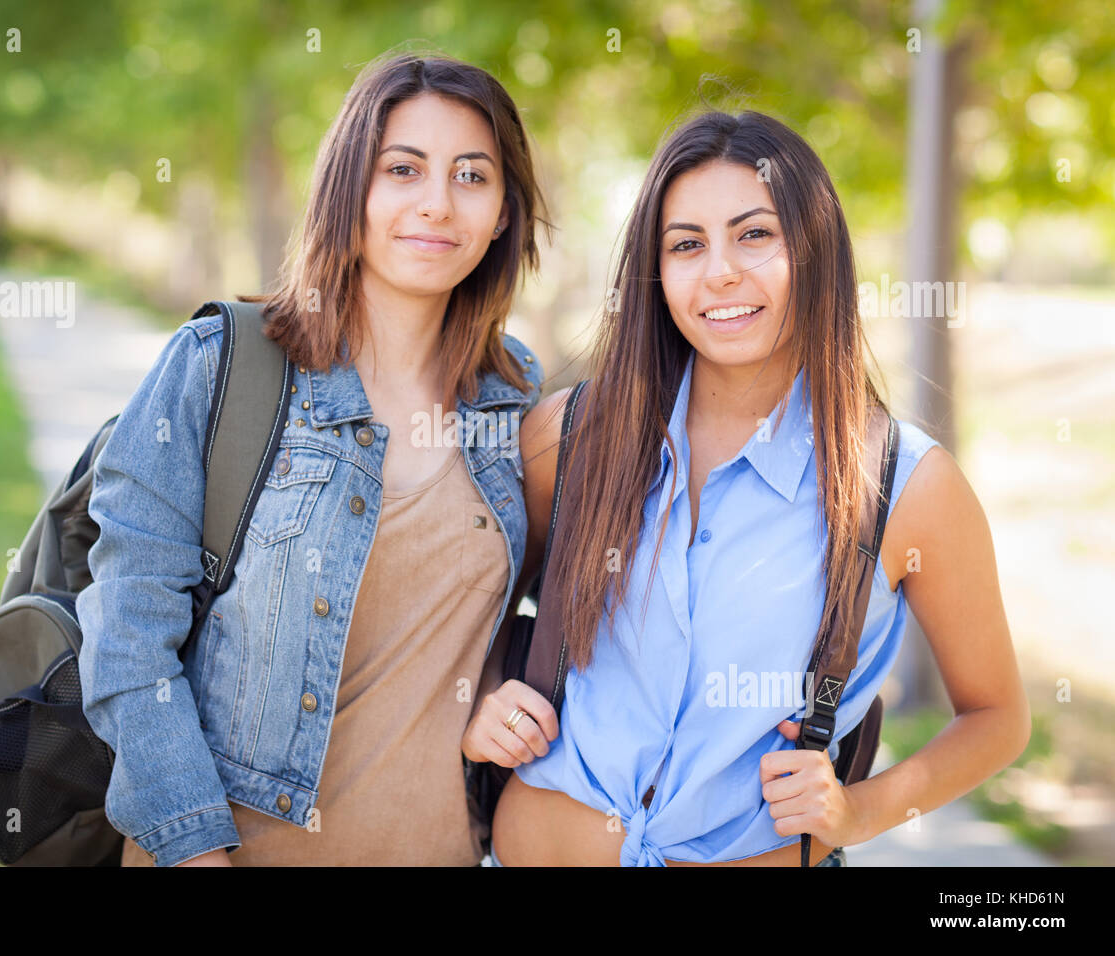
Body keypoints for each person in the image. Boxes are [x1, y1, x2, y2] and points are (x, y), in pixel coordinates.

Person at [463, 109, 1030, 867]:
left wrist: (859, 811)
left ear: (814, 250)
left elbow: (997, 718)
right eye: (687, 245)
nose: (720, 271)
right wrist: (490, 689)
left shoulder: (904, 486)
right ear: (656, 273)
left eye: (755, 234)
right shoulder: (571, 437)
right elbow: (484, 608)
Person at [76, 51, 550, 867]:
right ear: (350, 190)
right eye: (403, 169)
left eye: (472, 176)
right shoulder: (222, 364)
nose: (436, 203)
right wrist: (193, 854)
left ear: (504, 212)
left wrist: (498, 689)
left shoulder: (513, 398)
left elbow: (512, 615)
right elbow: (127, 639)